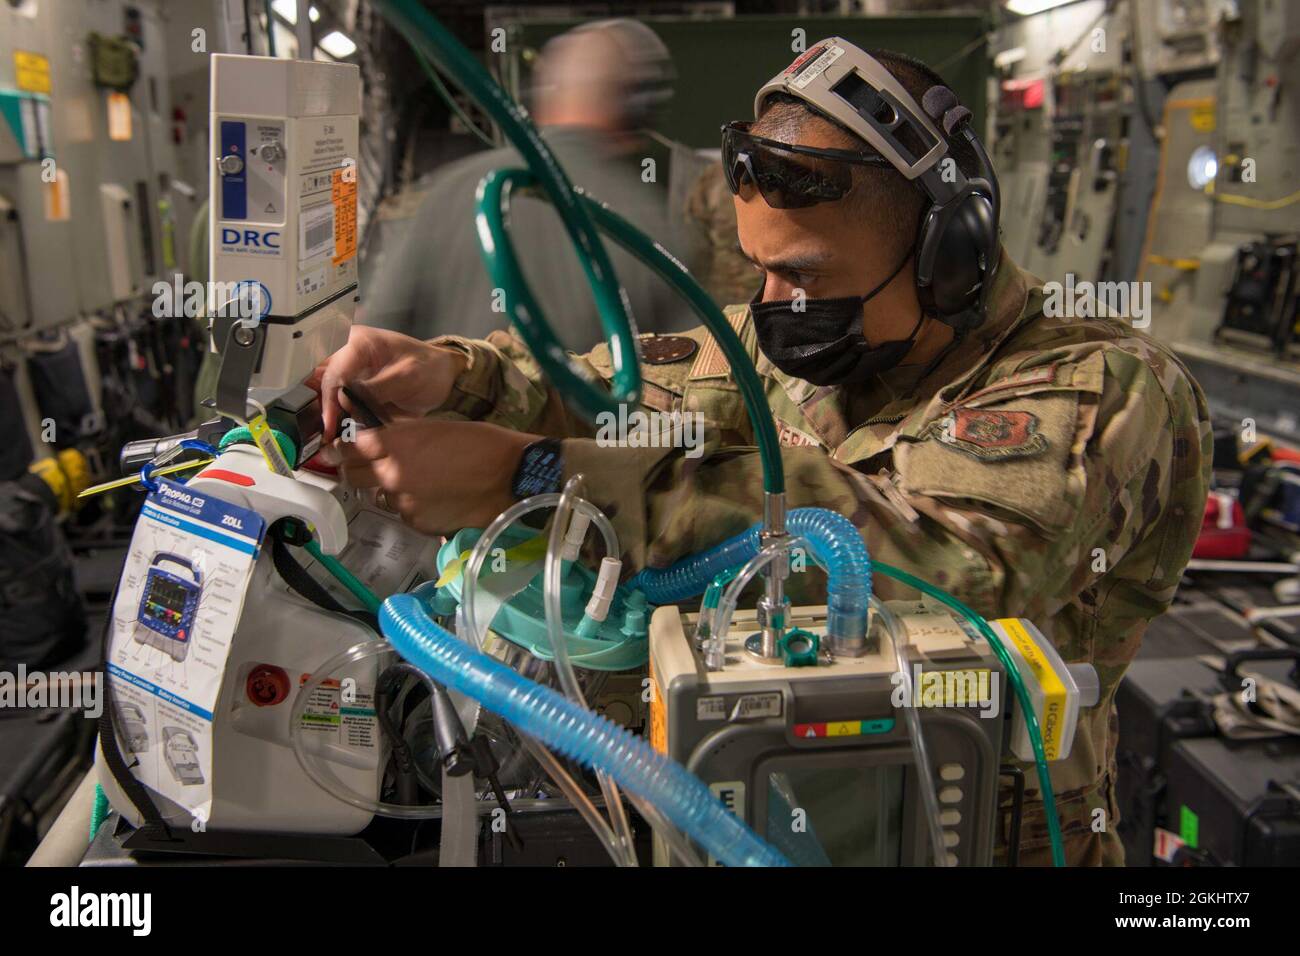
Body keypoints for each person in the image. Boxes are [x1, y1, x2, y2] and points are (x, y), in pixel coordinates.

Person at [314, 40, 1212, 866]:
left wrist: (534, 476)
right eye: (761, 271)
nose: (776, 304)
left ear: (950, 252)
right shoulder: (775, 340)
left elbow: (952, 562)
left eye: (809, 276)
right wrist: (447, 374)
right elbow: (608, 388)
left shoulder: (1102, 384)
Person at [362, 18, 698, 346]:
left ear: (540, 100)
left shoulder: (448, 191)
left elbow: (375, 336)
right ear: (636, 120)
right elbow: (688, 367)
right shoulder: (652, 229)